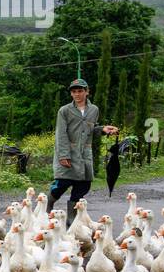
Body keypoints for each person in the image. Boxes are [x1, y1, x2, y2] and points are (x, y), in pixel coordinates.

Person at [48, 78, 118, 220]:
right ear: (71, 94)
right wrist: (63, 155)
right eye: (74, 92)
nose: (77, 94)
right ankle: (47, 205)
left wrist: (103, 129)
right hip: (68, 152)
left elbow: (90, 128)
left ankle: (72, 220)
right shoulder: (64, 111)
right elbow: (60, 133)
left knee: (83, 186)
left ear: (87, 92)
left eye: (80, 91)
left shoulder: (94, 110)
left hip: (85, 154)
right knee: (62, 183)